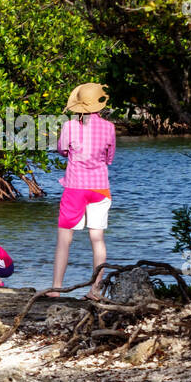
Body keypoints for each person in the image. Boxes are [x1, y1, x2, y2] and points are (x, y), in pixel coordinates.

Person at [49, 82, 115, 299]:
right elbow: (109, 158)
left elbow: (62, 150)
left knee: (64, 240)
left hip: (75, 188)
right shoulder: (109, 127)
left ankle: (57, 289)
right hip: (100, 187)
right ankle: (95, 290)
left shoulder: (69, 126)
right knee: (97, 239)